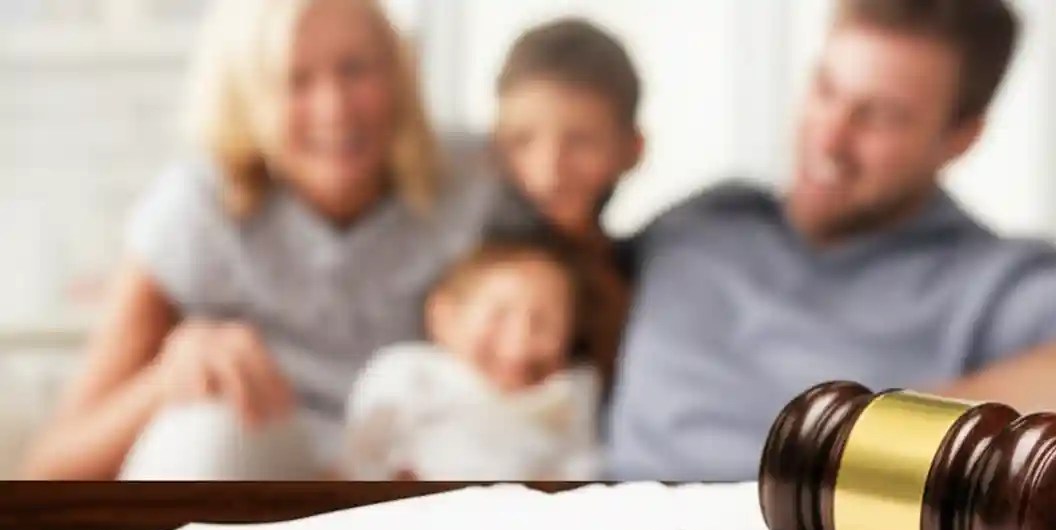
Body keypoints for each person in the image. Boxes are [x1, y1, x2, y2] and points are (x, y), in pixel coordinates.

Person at [608, 0, 1056, 483]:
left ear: (960, 137)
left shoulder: (994, 285)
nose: (830, 139)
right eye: (826, 89)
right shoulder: (703, 222)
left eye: (882, 116)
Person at [22, 0, 494, 481]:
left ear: (398, 72)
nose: (334, 107)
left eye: (356, 69)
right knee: (207, 425)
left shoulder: (475, 185)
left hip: (417, 494)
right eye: (295, 81)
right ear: (247, 94)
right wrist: (166, 378)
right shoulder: (197, 209)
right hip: (254, 483)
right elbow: (47, 470)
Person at [343, 236, 600, 482]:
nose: (519, 342)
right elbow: (360, 455)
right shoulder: (411, 373)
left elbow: (580, 469)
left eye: (544, 324)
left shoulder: (571, 392)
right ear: (444, 317)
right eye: (498, 317)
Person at [489, 18, 645, 389]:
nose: (548, 172)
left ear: (632, 149)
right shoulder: (473, 266)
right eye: (522, 140)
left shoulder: (640, 281)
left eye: (580, 141)